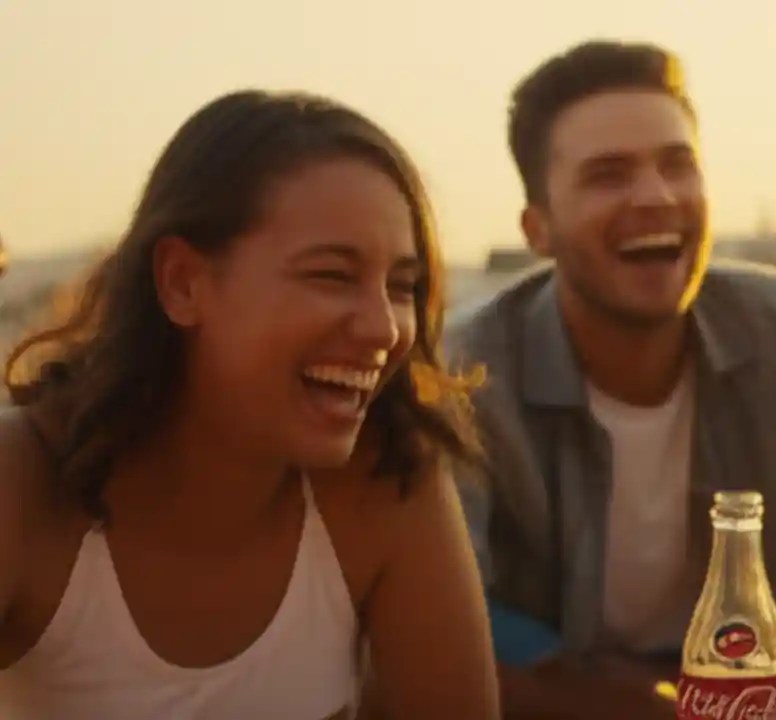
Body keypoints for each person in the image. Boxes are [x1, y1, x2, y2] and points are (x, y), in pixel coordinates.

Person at [445, 39, 776, 719]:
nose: (655, 196)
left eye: (677, 165)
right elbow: (439, 635)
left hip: (745, 683)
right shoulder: (468, 369)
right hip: (560, 692)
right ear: (539, 229)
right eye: (608, 175)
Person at [0, 90, 500, 719]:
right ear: (182, 283)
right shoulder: (21, 477)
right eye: (331, 276)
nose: (385, 328)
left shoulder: (387, 478)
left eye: (403, 287)